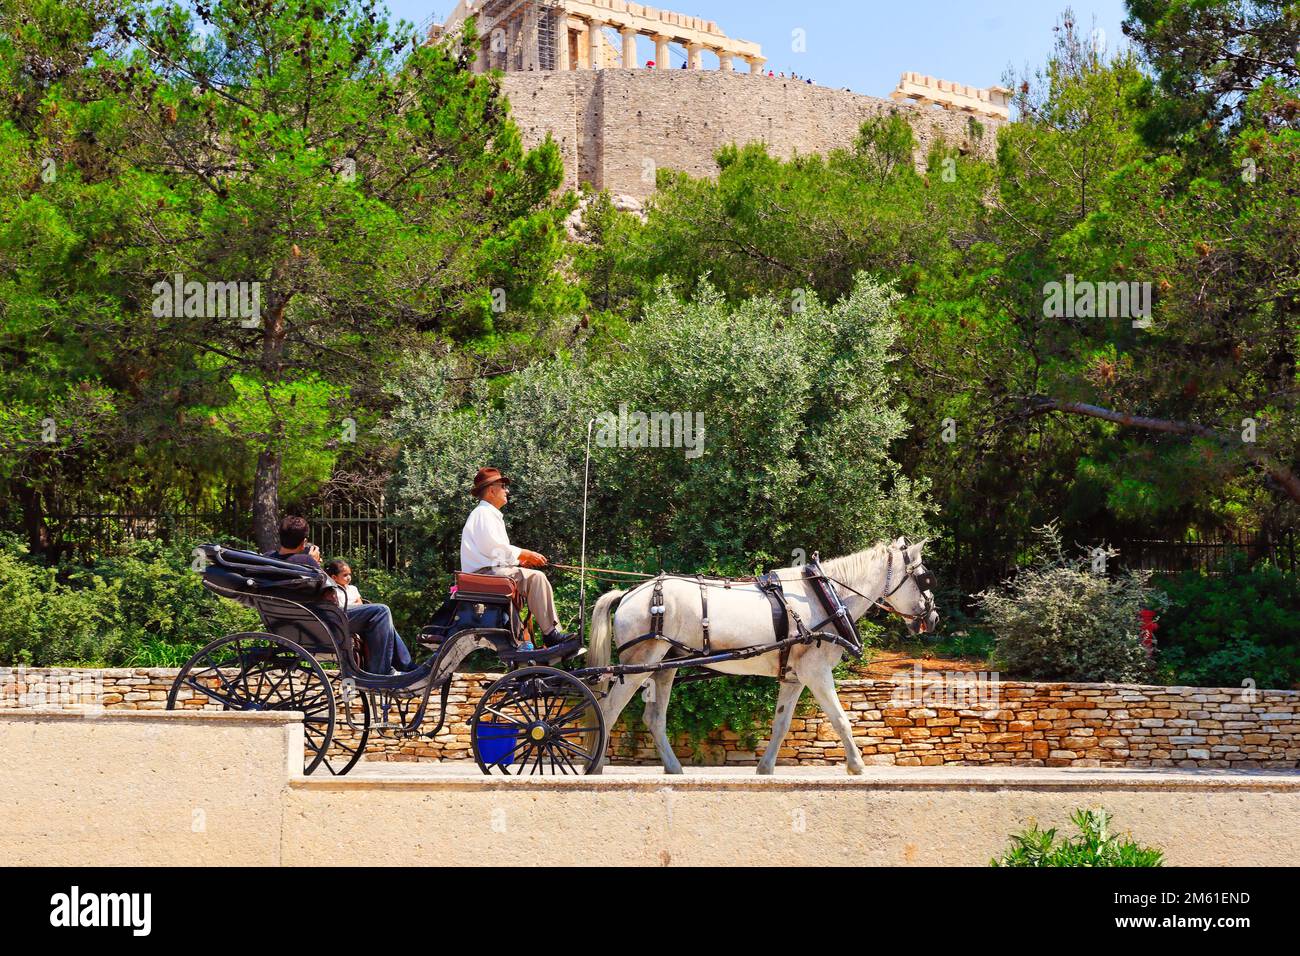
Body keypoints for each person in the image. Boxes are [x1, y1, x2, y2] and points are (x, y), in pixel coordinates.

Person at [266, 516, 415, 674]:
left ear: (280, 537)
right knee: (381, 611)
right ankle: (381, 672)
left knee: (380, 617)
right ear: (304, 542)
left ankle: (406, 667)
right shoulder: (306, 562)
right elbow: (331, 597)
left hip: (286, 625)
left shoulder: (267, 560)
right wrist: (314, 564)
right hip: (321, 623)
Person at [460, 467, 568, 647]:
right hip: (484, 574)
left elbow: (494, 552)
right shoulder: (483, 514)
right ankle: (550, 633)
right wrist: (524, 554)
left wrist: (519, 560)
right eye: (503, 486)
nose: (507, 490)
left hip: (489, 570)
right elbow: (493, 548)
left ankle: (538, 635)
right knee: (536, 578)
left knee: (532, 577)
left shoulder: (487, 514)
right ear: (491, 490)